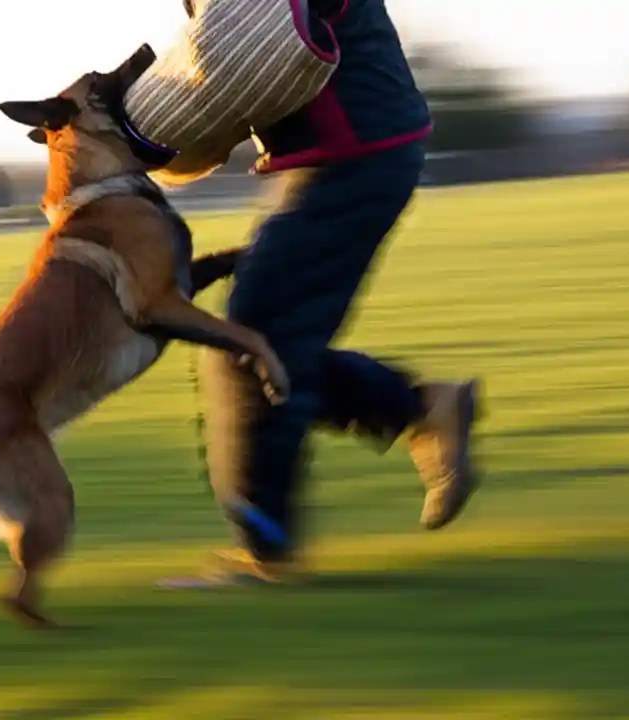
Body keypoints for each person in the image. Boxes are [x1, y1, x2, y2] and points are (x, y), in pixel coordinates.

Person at [178, 0, 483, 584]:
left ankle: (269, 552)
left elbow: (242, 54)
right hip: (347, 153)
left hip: (356, 154)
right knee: (270, 337)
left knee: (256, 336)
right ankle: (423, 408)